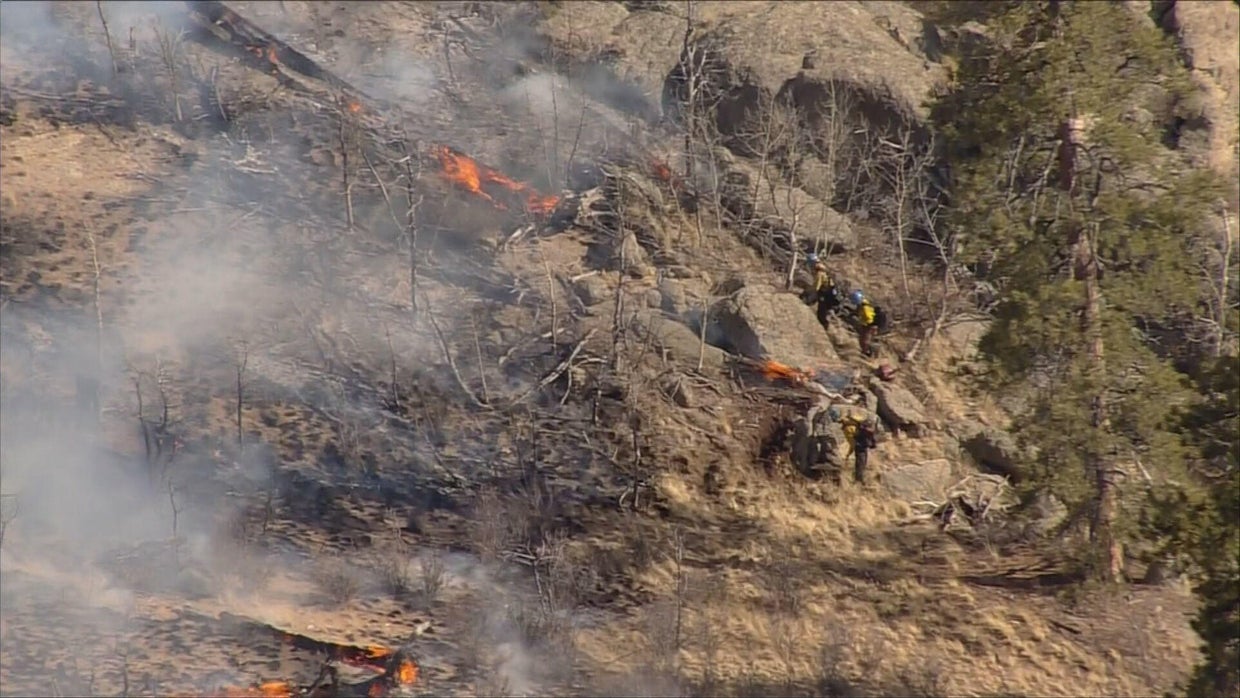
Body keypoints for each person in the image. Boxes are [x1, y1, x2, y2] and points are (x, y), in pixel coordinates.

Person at [806, 253, 841, 327]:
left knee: (822, 312)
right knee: (827, 309)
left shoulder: (820, 273)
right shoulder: (824, 269)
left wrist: (807, 293)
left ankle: (827, 325)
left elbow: (816, 287)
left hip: (826, 293)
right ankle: (832, 322)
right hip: (829, 292)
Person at [847, 417, 878, 484]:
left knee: (862, 463)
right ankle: (858, 480)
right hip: (860, 447)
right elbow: (872, 437)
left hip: (862, 447)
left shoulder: (863, 429)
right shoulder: (866, 431)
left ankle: (859, 478)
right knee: (860, 464)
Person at [850, 289, 879, 357]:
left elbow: (869, 318)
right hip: (868, 326)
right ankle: (867, 353)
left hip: (869, 326)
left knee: (865, 341)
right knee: (863, 340)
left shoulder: (865, 307)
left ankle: (867, 354)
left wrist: (863, 322)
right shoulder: (863, 305)